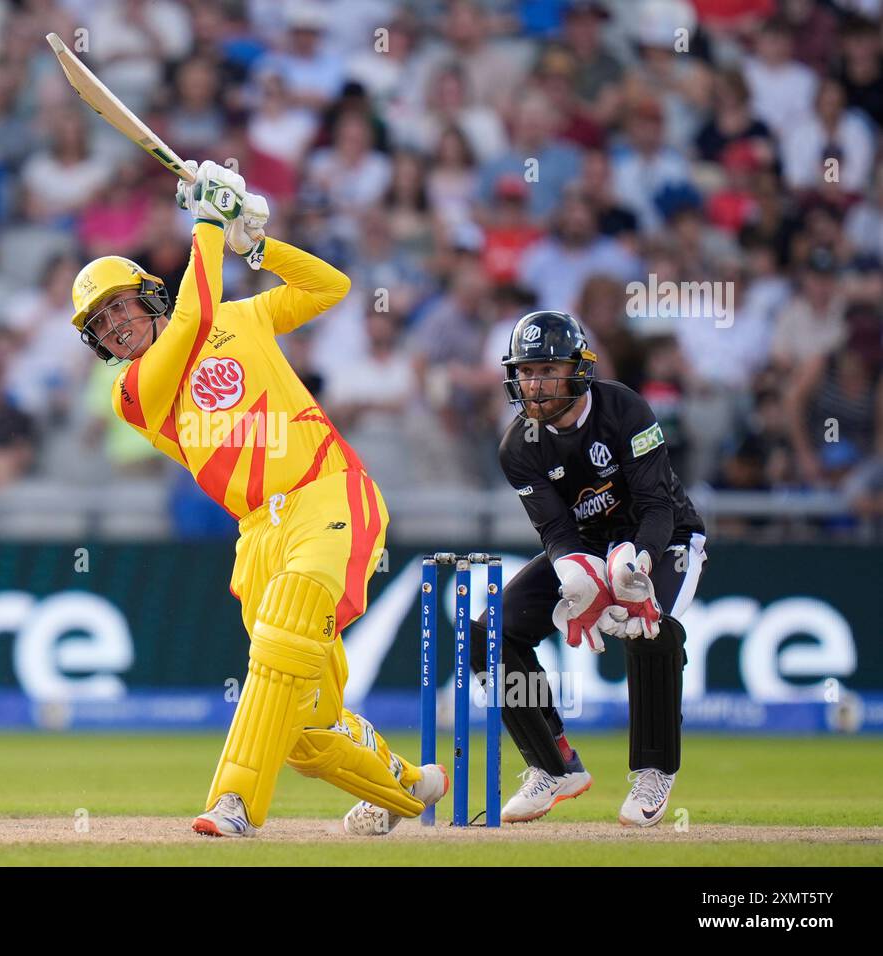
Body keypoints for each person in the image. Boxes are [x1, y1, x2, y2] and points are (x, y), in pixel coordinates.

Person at [68, 159, 449, 837]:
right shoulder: (136, 395)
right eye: (99, 324)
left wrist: (255, 243)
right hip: (259, 534)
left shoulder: (240, 316)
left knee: (278, 646)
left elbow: (330, 286)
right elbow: (191, 321)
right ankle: (408, 787)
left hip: (327, 494)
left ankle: (233, 802)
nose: (114, 326)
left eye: (120, 306)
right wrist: (208, 224)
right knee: (304, 725)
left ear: (147, 297)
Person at [480, 310, 706, 828]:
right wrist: (573, 571)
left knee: (649, 628)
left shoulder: (622, 406)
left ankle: (654, 770)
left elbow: (656, 504)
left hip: (666, 537)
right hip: (586, 544)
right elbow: (555, 531)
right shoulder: (518, 446)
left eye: (547, 370)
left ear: (577, 370)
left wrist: (638, 561)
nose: (534, 384)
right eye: (526, 372)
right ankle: (552, 764)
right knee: (489, 633)